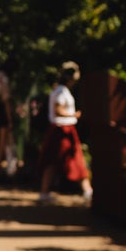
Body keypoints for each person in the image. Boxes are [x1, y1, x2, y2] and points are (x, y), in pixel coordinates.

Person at [37, 61, 93, 204]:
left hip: (60, 128)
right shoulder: (61, 91)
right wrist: (74, 115)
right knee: (75, 159)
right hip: (62, 129)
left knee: (54, 162)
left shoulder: (59, 90)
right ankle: (87, 190)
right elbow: (58, 110)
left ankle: (45, 192)